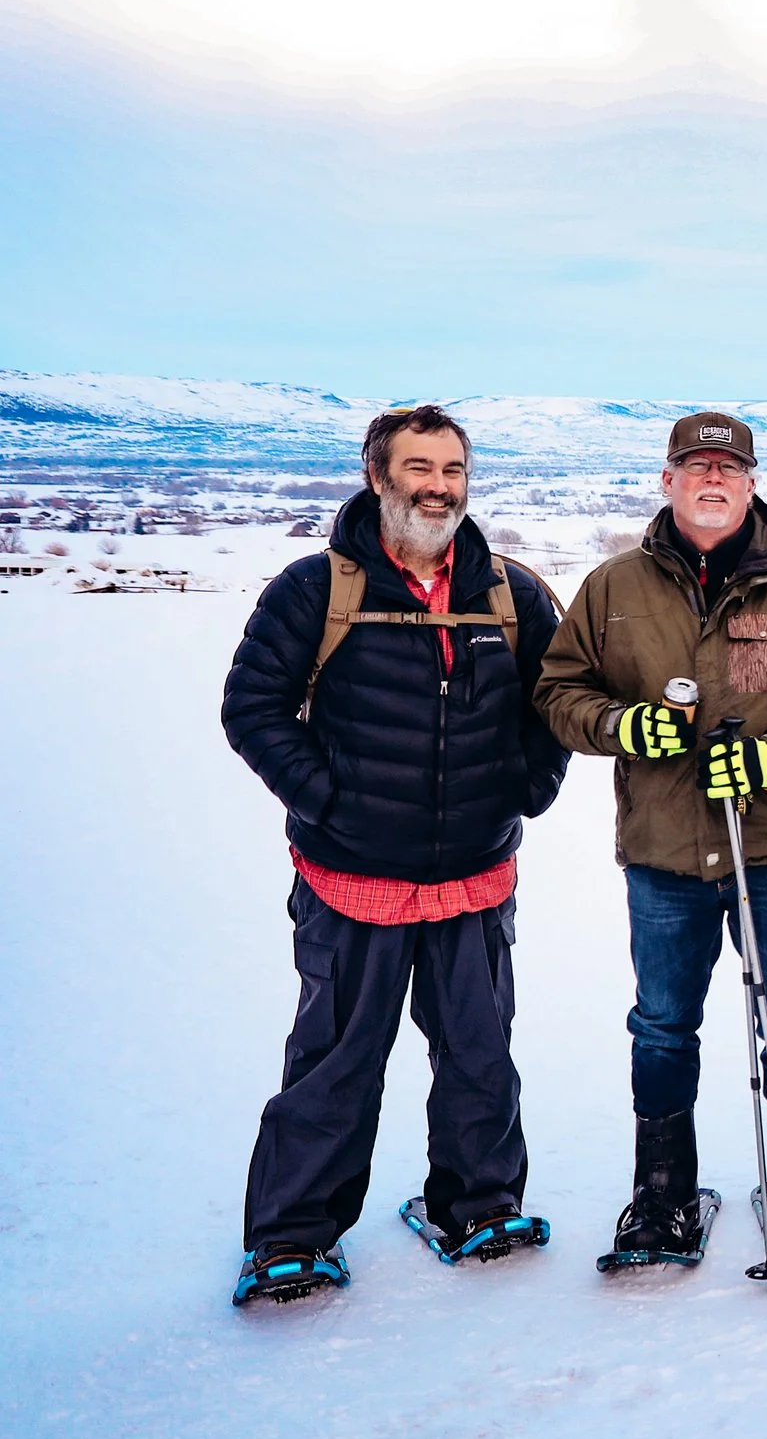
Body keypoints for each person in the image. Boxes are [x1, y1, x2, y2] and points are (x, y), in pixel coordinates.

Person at [221, 405, 569, 1302]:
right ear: (377, 476)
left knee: (479, 1052)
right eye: (418, 467)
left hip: (475, 874)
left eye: (452, 468)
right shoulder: (314, 589)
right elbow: (252, 709)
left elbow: (556, 702)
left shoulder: (509, 591)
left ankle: (478, 1202)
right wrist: (330, 798)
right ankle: (292, 1233)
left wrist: (526, 787)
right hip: (353, 879)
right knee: (337, 1060)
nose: (437, 485)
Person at [536, 412, 767, 1260]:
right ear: (669, 480)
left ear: (753, 482)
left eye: (730, 467)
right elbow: (556, 691)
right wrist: (624, 725)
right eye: (697, 467)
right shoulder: (613, 588)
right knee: (661, 1024)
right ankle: (662, 1195)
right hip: (663, 851)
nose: (713, 480)